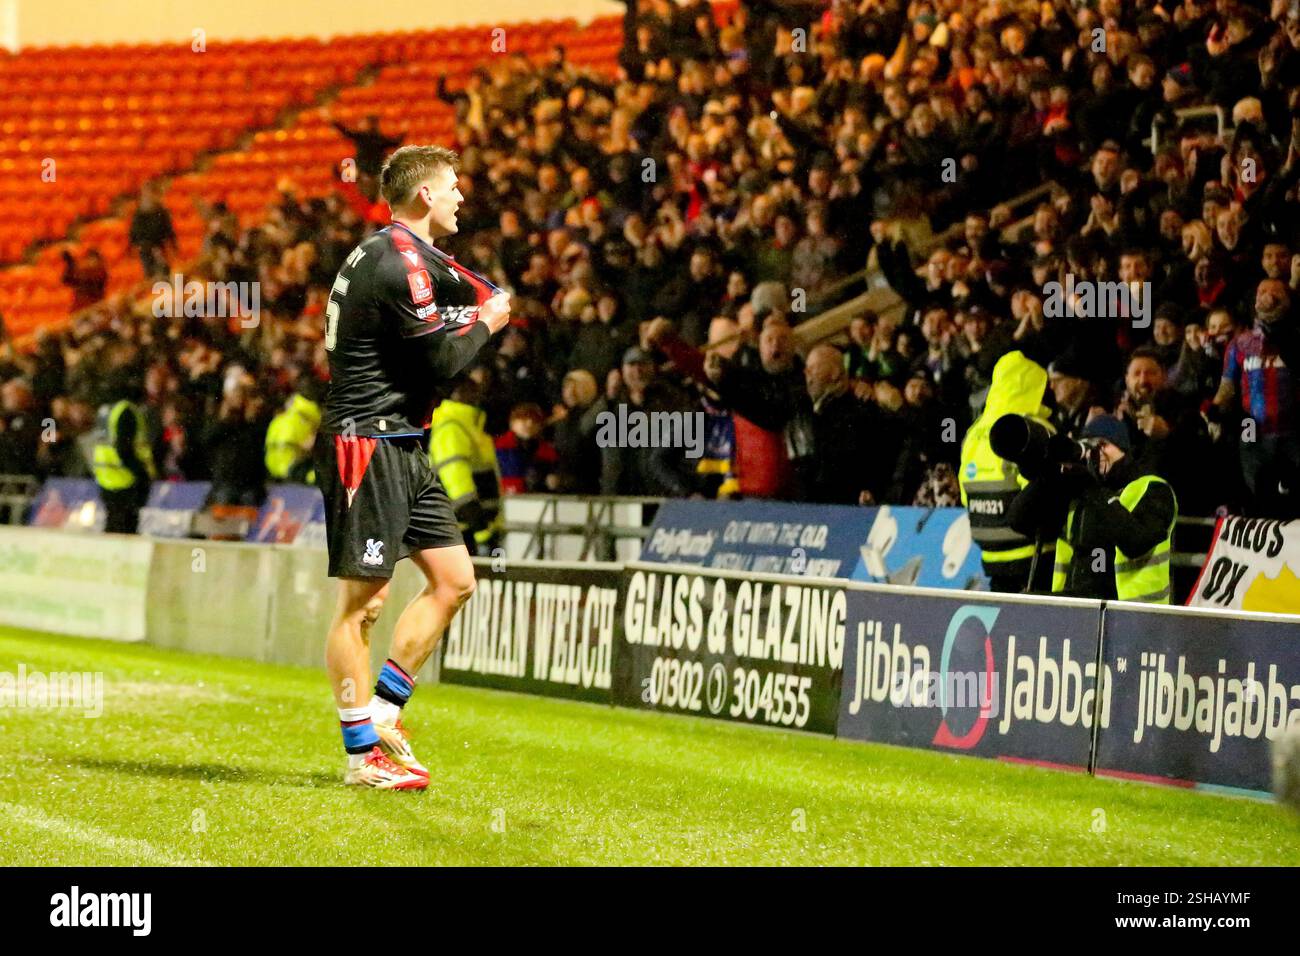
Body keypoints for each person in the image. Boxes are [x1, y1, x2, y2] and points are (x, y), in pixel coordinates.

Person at [313, 144, 512, 790]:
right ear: (425, 196)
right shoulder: (400, 265)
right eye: (453, 187)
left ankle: (385, 711)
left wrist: (482, 303)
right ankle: (359, 755)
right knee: (361, 606)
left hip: (406, 443)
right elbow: (445, 365)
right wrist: (485, 322)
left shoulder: (404, 254)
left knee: (454, 579)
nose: (461, 197)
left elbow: (463, 291)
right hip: (365, 443)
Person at [1009, 415, 1178, 603]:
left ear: (1124, 449)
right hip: (1076, 607)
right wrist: (1049, 472)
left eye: (1103, 445)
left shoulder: (1152, 488)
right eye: (1089, 446)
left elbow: (1136, 542)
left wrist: (1093, 488)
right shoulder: (1076, 489)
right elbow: (1019, 521)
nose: (1096, 453)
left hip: (1132, 616)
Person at [958, 350, 1056, 593]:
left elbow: (964, 494)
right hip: (1035, 554)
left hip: (991, 557)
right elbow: (1046, 492)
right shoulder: (1033, 429)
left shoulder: (974, 432)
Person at [430, 374, 504, 553]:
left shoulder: (470, 425)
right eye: (472, 390)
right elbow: (458, 485)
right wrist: (482, 531)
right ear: (457, 393)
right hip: (461, 532)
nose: (478, 395)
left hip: (475, 528)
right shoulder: (452, 428)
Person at [91, 370, 156, 534]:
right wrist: (141, 474)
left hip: (106, 478)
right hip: (126, 479)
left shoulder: (106, 410)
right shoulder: (126, 411)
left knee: (112, 527)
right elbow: (124, 449)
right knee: (125, 530)